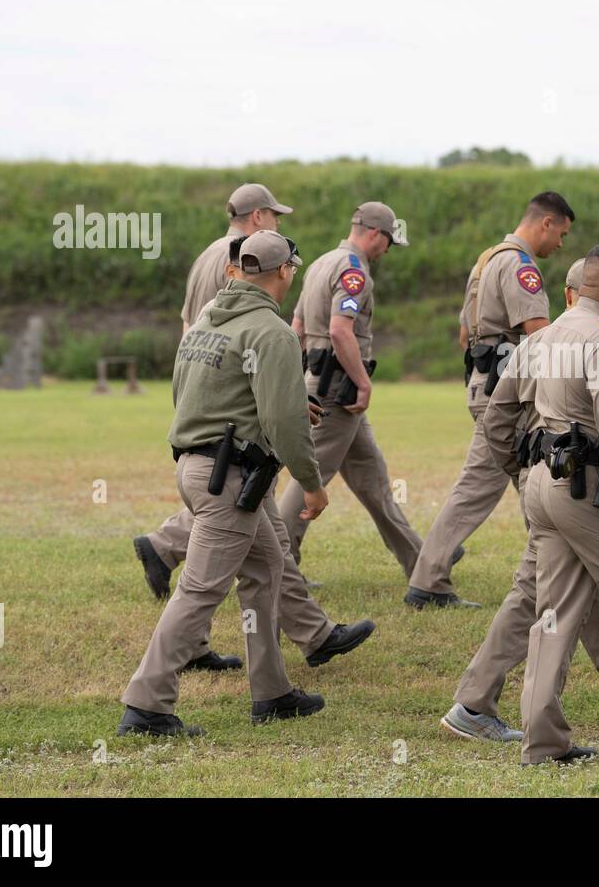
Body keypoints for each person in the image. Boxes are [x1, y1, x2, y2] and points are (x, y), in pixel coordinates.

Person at [440, 258, 599, 743]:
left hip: (544, 485)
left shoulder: (539, 340)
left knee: (544, 604)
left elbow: (496, 421)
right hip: (585, 492)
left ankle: (535, 735)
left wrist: (525, 470)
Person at [119, 230, 330, 736]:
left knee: (266, 569)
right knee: (198, 591)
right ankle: (146, 706)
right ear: (285, 272)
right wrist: (313, 483)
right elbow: (284, 425)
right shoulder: (272, 332)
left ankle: (272, 692)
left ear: (238, 269)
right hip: (232, 479)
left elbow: (194, 391)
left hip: (199, 469)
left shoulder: (208, 319)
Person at [404, 192, 574, 609]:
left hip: (486, 383)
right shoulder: (520, 266)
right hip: (510, 394)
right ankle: (428, 582)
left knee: (526, 479)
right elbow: (538, 335)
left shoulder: (486, 261)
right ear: (546, 223)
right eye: (563, 233)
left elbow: (465, 335)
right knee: (484, 486)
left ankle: (552, 570)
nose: (562, 245)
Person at [277, 202, 433, 578]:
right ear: (375, 234)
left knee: (372, 477)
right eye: (389, 242)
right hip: (338, 391)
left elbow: (296, 327)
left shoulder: (319, 264)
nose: (387, 250)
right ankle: (279, 562)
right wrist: (363, 382)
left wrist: (298, 379)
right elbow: (339, 329)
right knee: (311, 477)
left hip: (322, 383)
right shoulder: (353, 272)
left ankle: (422, 561)